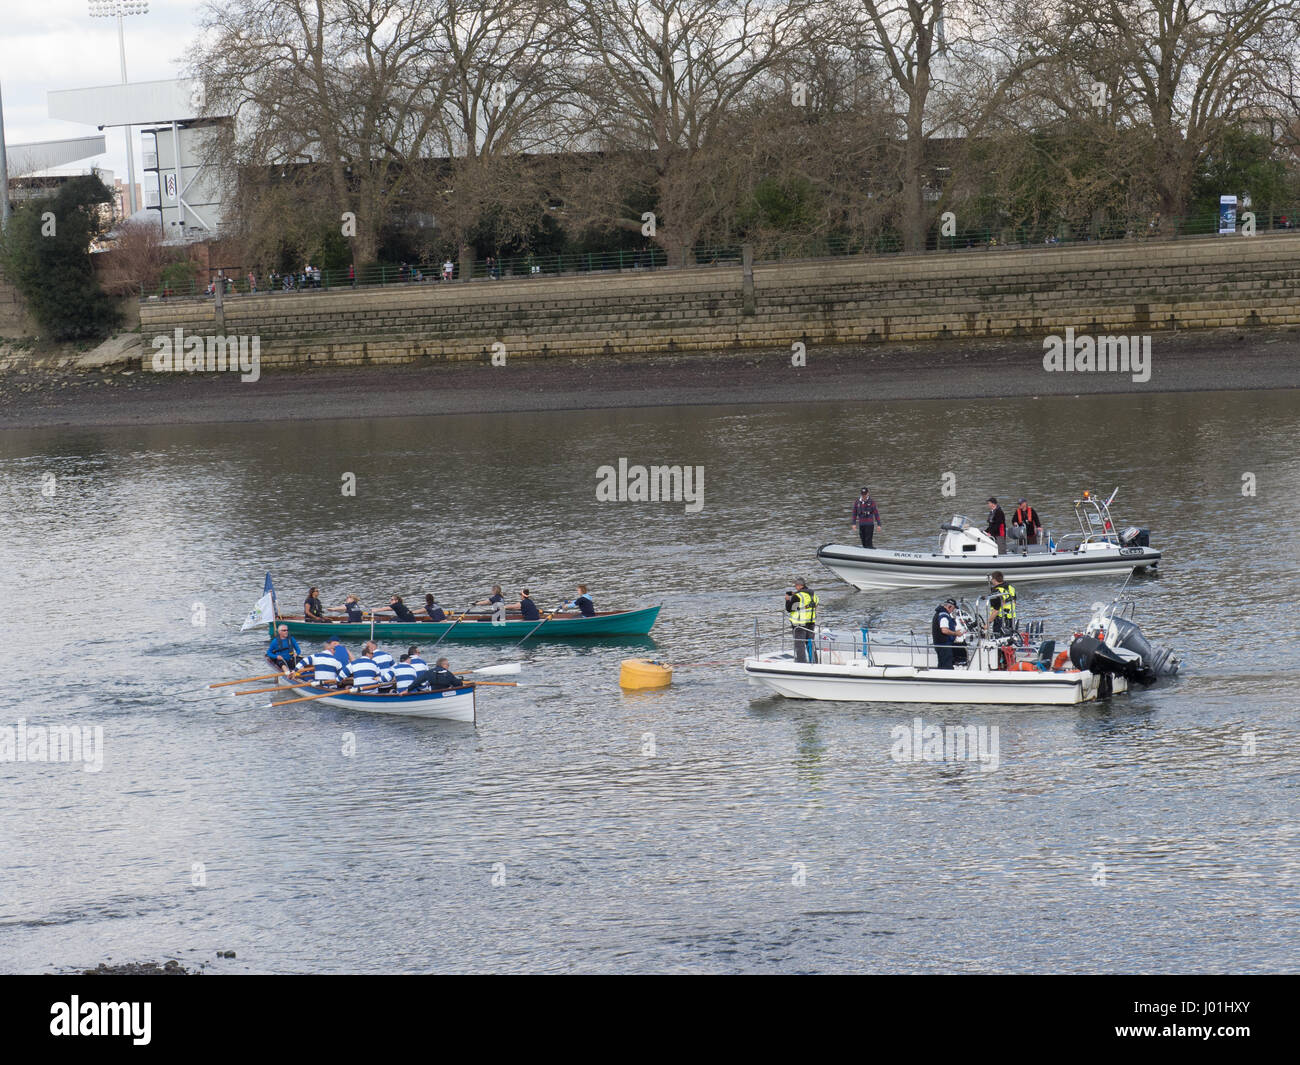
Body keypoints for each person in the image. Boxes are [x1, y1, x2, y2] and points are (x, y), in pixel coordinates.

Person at [785, 578, 819, 663]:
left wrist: (788, 600)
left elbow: (789, 609)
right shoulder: (813, 595)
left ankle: (801, 663)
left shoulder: (798, 596)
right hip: (811, 623)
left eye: (796, 586)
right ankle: (814, 662)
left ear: (800, 586)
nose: (796, 588)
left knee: (799, 645)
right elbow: (815, 604)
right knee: (810, 643)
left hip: (799, 624)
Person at [932, 598, 960, 670]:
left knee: (942, 664)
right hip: (943, 644)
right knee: (946, 665)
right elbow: (944, 630)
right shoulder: (943, 616)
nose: (953, 611)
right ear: (949, 607)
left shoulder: (939, 613)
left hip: (940, 643)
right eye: (953, 608)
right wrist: (955, 633)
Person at [988, 571, 1018, 637]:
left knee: (999, 639)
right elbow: (1014, 602)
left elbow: (996, 610)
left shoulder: (996, 592)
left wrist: (987, 624)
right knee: (1010, 637)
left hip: (1000, 620)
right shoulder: (1011, 588)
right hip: (1011, 618)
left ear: (994, 580)